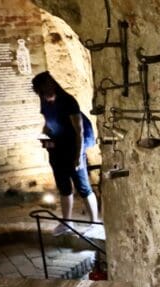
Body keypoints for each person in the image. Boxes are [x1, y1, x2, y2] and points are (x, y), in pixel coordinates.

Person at [31, 71, 98, 236]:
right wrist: (43, 136)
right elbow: (47, 123)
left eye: (44, 89)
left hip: (73, 146)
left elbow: (79, 131)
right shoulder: (45, 101)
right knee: (64, 187)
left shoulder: (68, 101)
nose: (43, 94)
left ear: (51, 85)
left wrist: (78, 156)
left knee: (83, 187)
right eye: (40, 91)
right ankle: (67, 223)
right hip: (57, 147)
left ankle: (95, 223)